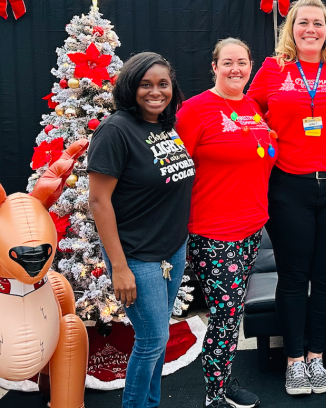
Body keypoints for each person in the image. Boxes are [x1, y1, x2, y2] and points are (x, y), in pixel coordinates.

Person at [247, 0, 326, 396]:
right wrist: (262, 135)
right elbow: (247, 110)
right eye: (303, 22)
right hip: (289, 187)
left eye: (318, 23)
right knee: (294, 276)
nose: (311, 29)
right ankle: (294, 360)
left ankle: (317, 356)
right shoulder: (273, 68)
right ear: (291, 29)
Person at [88, 52, 195, 408]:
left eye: (163, 84)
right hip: (136, 255)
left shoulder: (165, 125)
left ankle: (150, 403)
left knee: (158, 340)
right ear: (130, 87)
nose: (155, 92)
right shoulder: (115, 131)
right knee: (151, 340)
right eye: (145, 84)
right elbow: (99, 201)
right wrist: (119, 267)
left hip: (172, 249)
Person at [175, 38, 275, 408]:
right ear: (214, 67)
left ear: (251, 67)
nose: (236, 69)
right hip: (213, 231)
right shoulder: (195, 110)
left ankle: (224, 381)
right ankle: (215, 394)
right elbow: (175, 172)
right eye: (228, 62)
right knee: (226, 312)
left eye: (242, 62)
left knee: (231, 311)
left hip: (251, 227)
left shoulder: (252, 107)